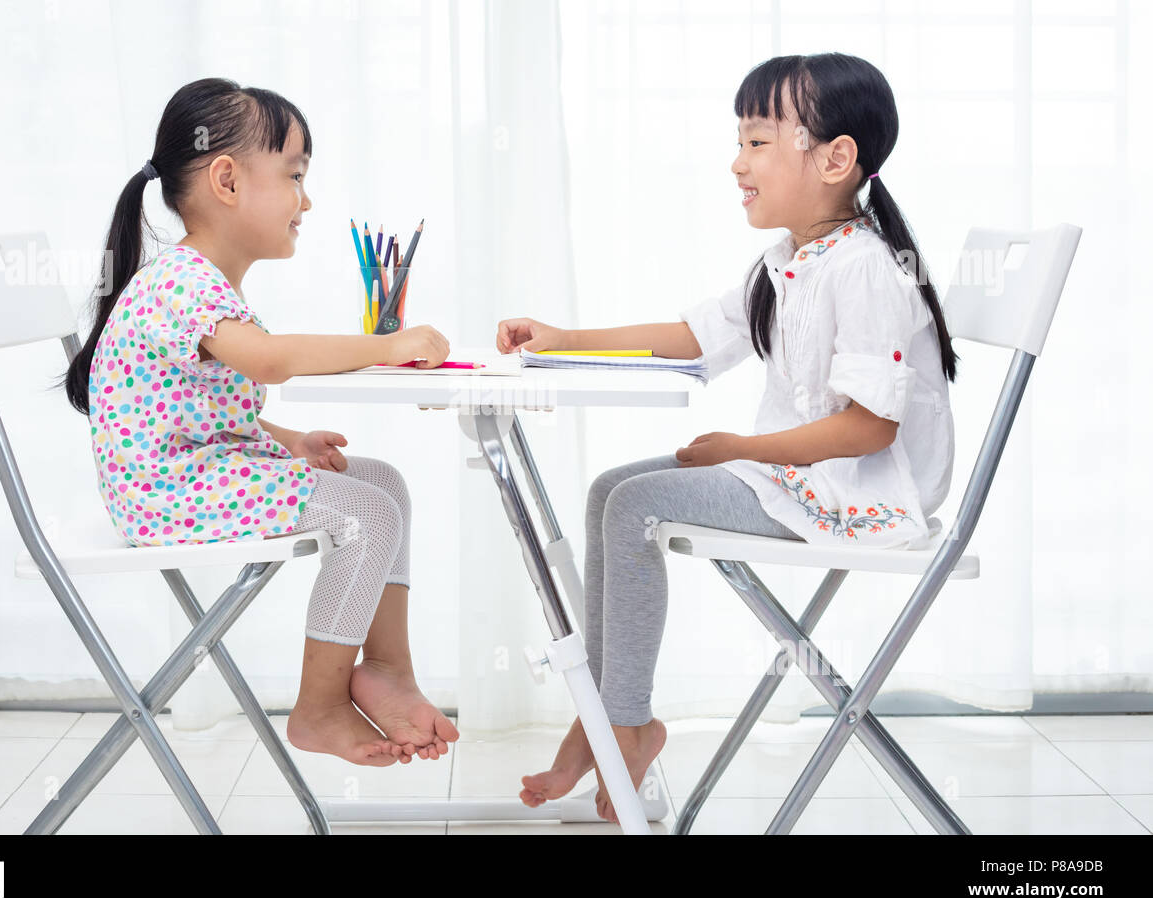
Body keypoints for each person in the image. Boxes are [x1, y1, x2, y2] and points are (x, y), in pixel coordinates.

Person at [496, 53, 959, 822]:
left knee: (634, 505)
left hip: (857, 492)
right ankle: (610, 718)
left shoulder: (865, 268)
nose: (736, 162)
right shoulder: (788, 261)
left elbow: (870, 428)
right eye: (740, 142)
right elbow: (692, 335)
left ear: (836, 159)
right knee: (612, 491)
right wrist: (564, 334)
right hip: (802, 476)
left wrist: (743, 451)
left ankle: (624, 725)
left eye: (758, 142)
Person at [59, 77, 458, 768]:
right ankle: (320, 706)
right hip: (165, 496)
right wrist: (390, 345)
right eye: (296, 177)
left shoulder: (202, 282)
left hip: (188, 474)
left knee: (384, 484)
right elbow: (270, 363)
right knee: (364, 515)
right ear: (228, 180)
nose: (307, 201)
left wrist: (288, 442)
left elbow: (200, 408)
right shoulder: (183, 282)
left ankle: (387, 667)